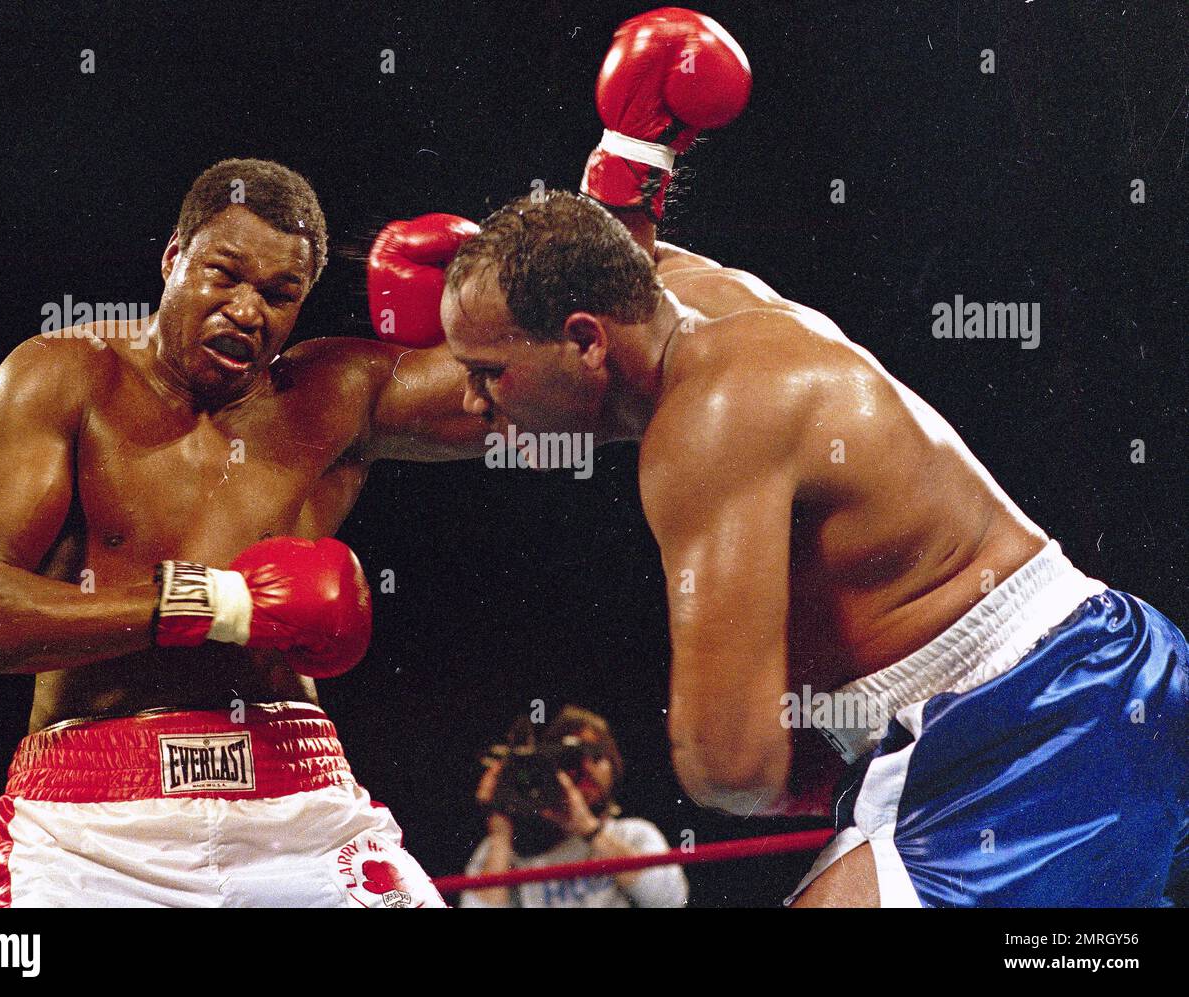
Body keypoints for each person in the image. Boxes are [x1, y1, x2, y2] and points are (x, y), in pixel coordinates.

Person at [422, 8, 1189, 908]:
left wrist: (832, 760)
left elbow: (727, 766)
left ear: (585, 344)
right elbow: (599, 252)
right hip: (1080, 677)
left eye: (487, 375)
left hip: (1031, 719)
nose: (473, 405)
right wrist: (626, 157)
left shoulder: (705, 427)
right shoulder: (675, 294)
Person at [0, 158, 487, 907]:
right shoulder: (63, 377)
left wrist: (494, 306)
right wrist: (212, 602)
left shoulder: (336, 390)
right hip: (96, 821)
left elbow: (546, 384)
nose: (247, 311)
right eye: (224, 275)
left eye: (279, 295)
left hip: (296, 798)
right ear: (172, 258)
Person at [462, 706, 688, 908]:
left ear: (614, 767)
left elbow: (671, 900)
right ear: (549, 767)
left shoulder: (634, 835)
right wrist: (501, 829)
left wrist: (588, 829)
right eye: (572, 758)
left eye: (596, 755)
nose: (586, 767)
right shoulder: (508, 852)